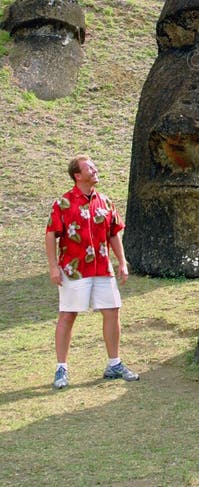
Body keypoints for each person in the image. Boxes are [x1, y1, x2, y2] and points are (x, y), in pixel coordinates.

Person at [45, 154, 140, 389]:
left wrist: (122, 262)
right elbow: (51, 234)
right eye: (89, 167)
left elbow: (113, 233)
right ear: (77, 175)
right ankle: (61, 368)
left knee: (112, 310)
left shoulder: (105, 201)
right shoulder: (63, 203)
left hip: (102, 269)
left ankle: (114, 364)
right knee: (68, 315)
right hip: (74, 269)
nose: (95, 169)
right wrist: (53, 266)